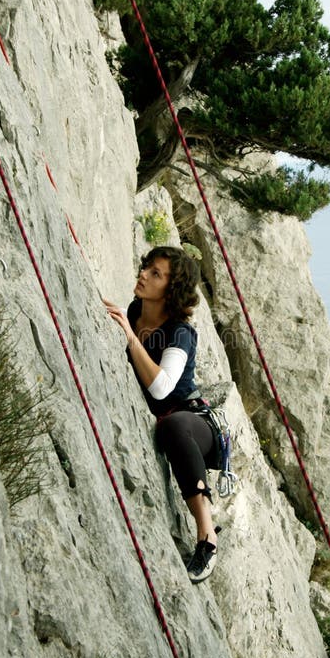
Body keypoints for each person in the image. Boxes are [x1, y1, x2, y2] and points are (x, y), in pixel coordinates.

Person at [104, 246, 220, 583]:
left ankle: (208, 538)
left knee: (173, 426)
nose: (143, 274)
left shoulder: (180, 334)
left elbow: (161, 388)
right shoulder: (135, 311)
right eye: (146, 267)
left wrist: (130, 337)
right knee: (169, 425)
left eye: (155, 273)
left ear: (172, 289)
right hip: (169, 420)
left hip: (193, 424)